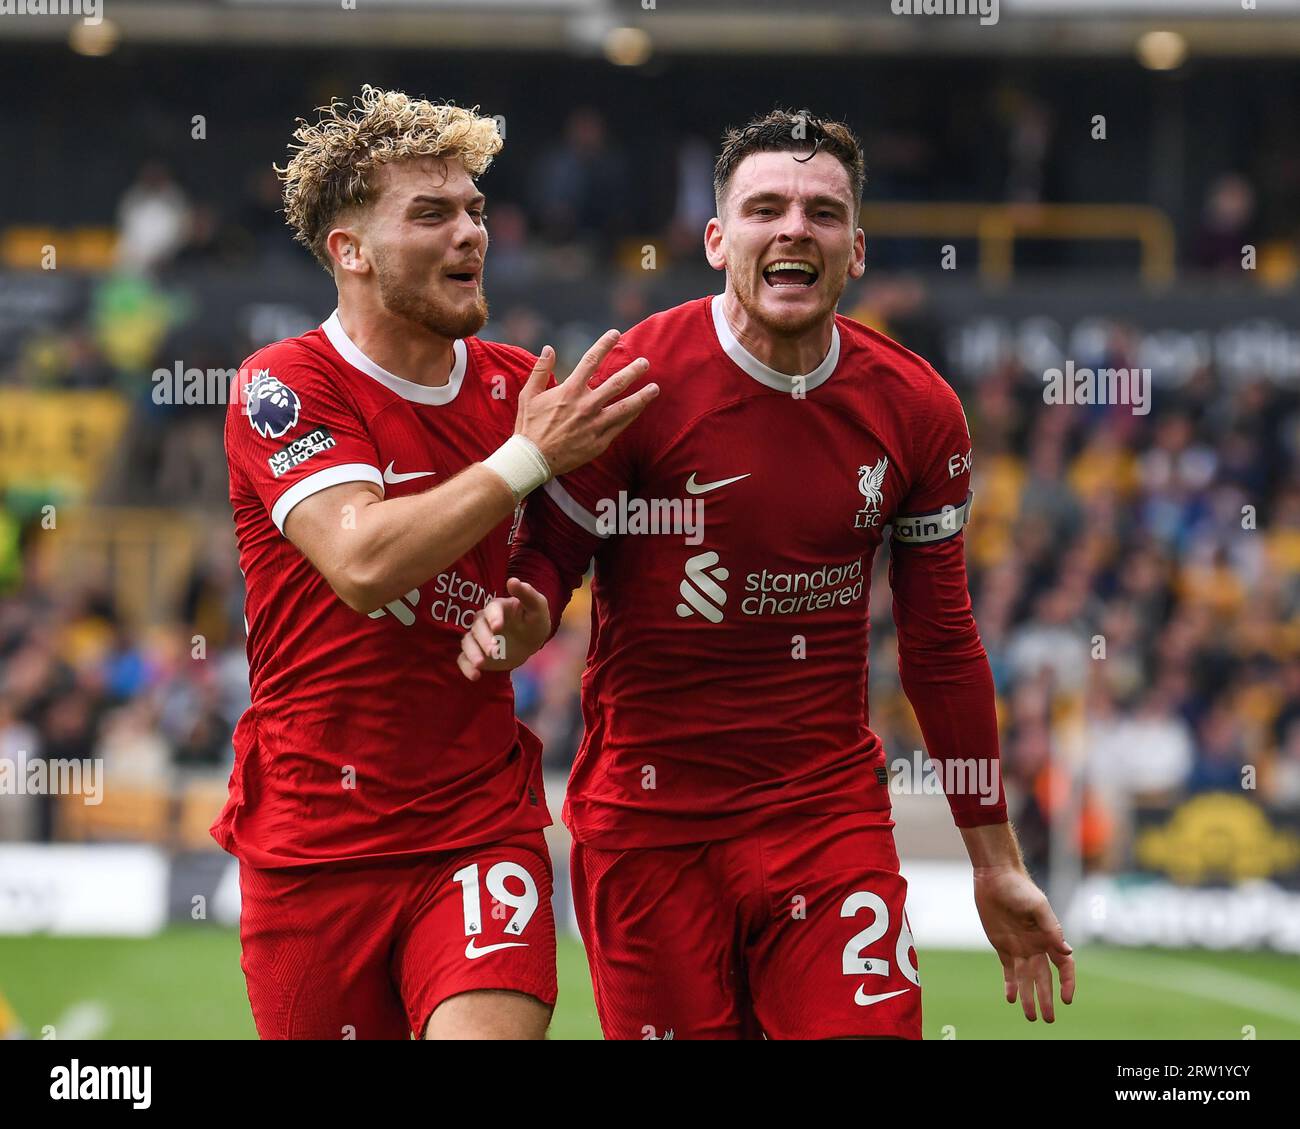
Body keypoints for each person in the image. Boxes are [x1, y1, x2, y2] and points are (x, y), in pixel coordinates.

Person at [460, 109, 1074, 1039]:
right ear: (717, 239)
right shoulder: (632, 381)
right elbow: (550, 563)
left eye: (823, 213)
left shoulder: (917, 409)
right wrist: (528, 615)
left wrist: (993, 858)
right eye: (766, 209)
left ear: (856, 249)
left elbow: (942, 642)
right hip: (650, 825)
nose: (795, 228)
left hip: (825, 820)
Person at [211, 86, 657, 1040]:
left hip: (474, 822)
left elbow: (545, 555)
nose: (470, 234)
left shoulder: (511, 388)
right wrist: (526, 457)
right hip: (312, 843)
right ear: (350, 250)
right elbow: (363, 560)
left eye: (475, 211)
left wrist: (531, 607)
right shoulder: (285, 383)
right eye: (431, 213)